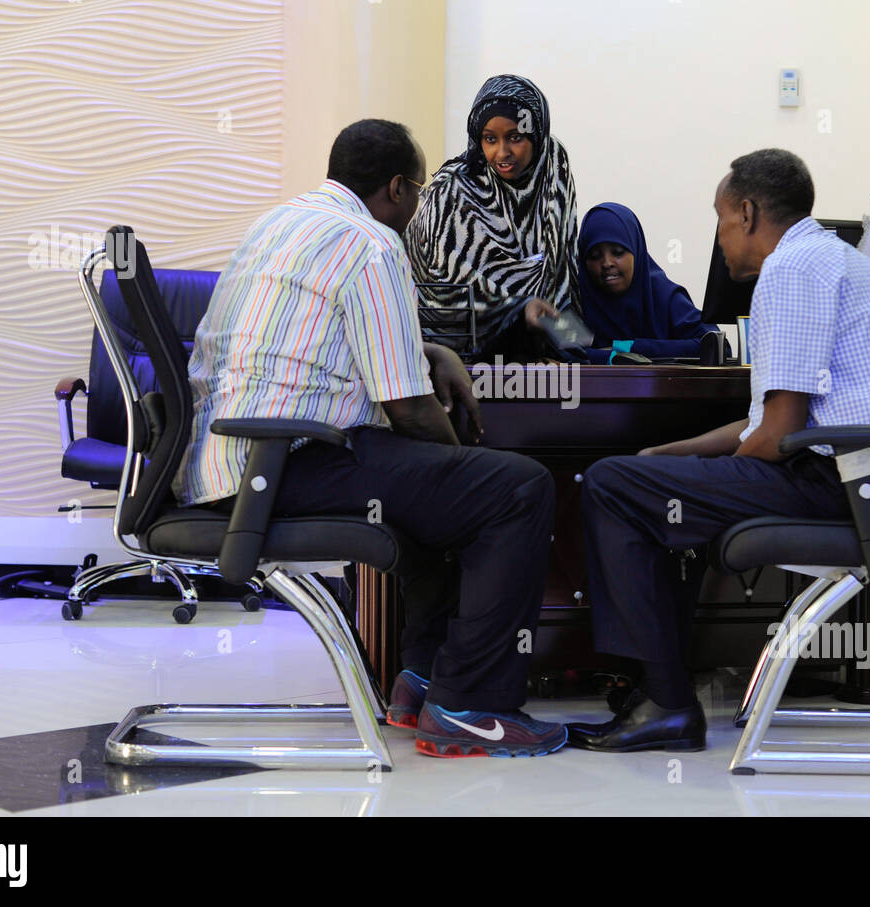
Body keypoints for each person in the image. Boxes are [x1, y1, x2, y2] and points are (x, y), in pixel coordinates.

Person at [173, 119, 566, 758]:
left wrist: (429, 347)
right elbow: (408, 407)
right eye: (418, 193)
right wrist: (462, 460)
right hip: (281, 462)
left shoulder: (278, 223)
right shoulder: (372, 244)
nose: (418, 210)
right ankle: (472, 706)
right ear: (395, 188)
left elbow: (327, 343)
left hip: (228, 460)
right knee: (512, 487)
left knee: (435, 485)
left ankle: (419, 680)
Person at [567, 149, 870, 752]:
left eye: (718, 220)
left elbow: (776, 433)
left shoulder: (790, 271)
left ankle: (664, 699)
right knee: (641, 480)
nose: (719, 237)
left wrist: (689, 475)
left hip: (837, 484)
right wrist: (670, 457)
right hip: (865, 476)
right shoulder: (833, 260)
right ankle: (659, 687)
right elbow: (768, 423)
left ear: (746, 211)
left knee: (609, 484)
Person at [404, 74, 579, 360]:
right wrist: (518, 308)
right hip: (452, 363)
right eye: (489, 139)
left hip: (538, 363)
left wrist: (570, 346)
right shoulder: (451, 192)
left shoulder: (552, 168)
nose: (502, 153)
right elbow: (444, 296)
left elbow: (560, 271)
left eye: (515, 137)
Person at [577, 202, 721, 362]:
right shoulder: (575, 300)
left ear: (636, 252)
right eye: (595, 256)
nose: (607, 263)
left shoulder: (663, 296)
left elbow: (717, 346)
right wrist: (613, 357)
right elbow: (562, 354)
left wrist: (630, 348)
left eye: (618, 252)